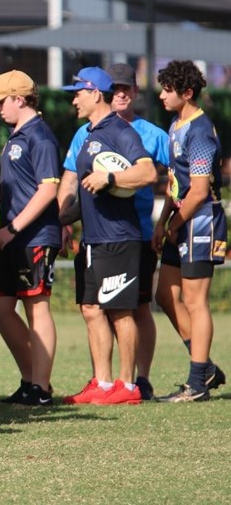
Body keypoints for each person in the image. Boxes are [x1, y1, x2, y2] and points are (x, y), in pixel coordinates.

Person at [59, 62, 169, 400]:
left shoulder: (122, 132)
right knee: (91, 308)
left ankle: (128, 385)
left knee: (121, 311)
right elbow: (78, 186)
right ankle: (103, 383)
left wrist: (110, 178)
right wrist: (64, 219)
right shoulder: (90, 134)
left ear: (95, 93)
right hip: (94, 237)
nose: (74, 101)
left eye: (78, 94)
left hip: (120, 237)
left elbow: (148, 173)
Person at [0, 71, 62, 406]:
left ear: (20, 99)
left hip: (33, 236)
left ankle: (40, 388)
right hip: (11, 237)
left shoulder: (39, 137)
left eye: (2, 101)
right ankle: (30, 378)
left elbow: (48, 188)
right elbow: (14, 184)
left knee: (36, 306)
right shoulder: (17, 135)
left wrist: (12, 228)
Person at [154, 60, 226, 402]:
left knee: (196, 302)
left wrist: (175, 224)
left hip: (200, 222)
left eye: (168, 89)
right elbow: (175, 185)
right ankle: (207, 369)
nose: (162, 94)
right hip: (179, 221)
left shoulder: (199, 131)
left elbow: (198, 191)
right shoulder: (175, 124)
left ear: (187, 93)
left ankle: (197, 384)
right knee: (165, 295)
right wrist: (162, 222)